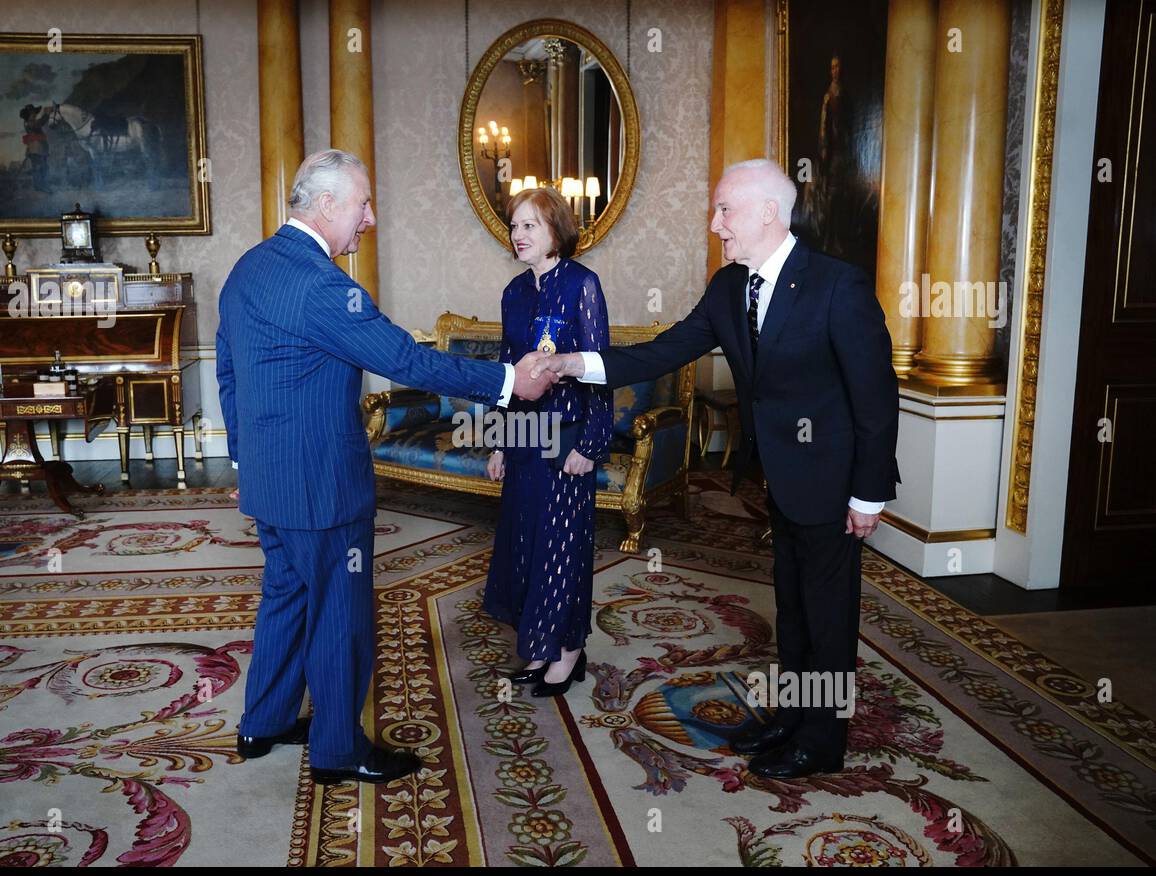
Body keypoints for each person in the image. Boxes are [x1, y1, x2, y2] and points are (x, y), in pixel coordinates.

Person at [528, 158, 900, 779]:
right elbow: (663, 350)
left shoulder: (839, 285)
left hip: (832, 482)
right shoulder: (730, 287)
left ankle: (824, 740)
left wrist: (869, 493)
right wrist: (573, 364)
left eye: (725, 210)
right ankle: (794, 714)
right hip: (773, 479)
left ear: (768, 213)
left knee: (829, 614)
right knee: (793, 608)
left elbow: (875, 396)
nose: (715, 224)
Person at [217, 149, 559, 786]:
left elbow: (229, 372)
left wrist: (245, 454)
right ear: (325, 206)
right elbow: (406, 359)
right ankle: (339, 749)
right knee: (341, 610)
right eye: (362, 204)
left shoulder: (250, 267)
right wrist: (509, 381)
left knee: (285, 597)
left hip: (270, 481)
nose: (369, 218)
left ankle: (261, 722)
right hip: (322, 486)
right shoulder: (321, 286)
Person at [482, 187, 613, 697]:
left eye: (530, 225)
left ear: (556, 230)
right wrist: (497, 440)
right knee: (526, 542)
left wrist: (594, 443)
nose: (518, 235)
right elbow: (506, 371)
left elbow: (600, 370)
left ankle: (569, 650)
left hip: (568, 436)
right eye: (515, 225)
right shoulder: (513, 292)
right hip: (522, 437)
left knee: (562, 544)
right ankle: (539, 647)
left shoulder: (583, 284)